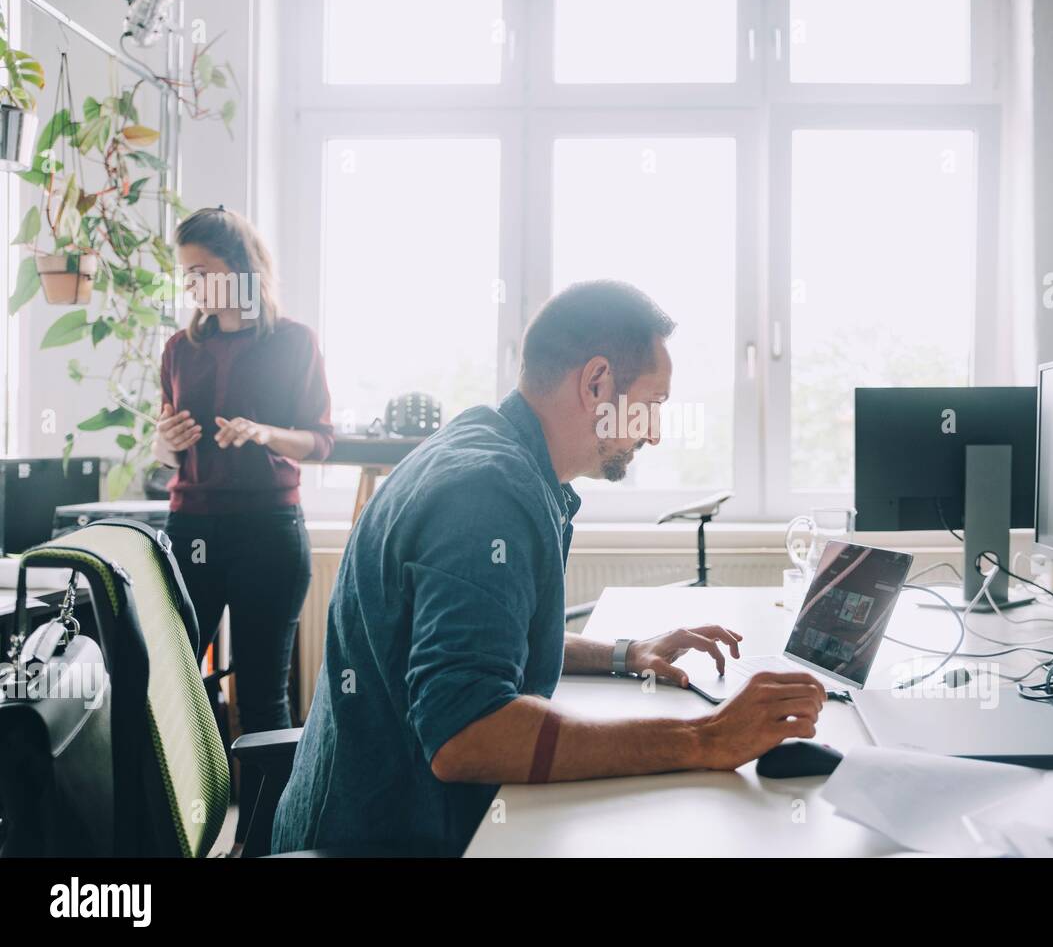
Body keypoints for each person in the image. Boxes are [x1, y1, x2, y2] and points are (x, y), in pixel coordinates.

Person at [272, 279, 825, 857]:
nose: (656, 434)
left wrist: (625, 654)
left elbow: (493, 637)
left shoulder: (490, 448)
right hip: (386, 840)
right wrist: (704, 738)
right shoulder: (486, 495)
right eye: (653, 406)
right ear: (596, 383)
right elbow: (466, 734)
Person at [153, 206, 334, 836]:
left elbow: (321, 440)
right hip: (191, 532)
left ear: (241, 269)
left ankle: (263, 842)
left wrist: (264, 433)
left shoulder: (294, 342)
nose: (192, 285)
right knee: (176, 686)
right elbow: (164, 451)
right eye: (186, 273)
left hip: (269, 534)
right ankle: (181, 833)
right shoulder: (180, 349)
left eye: (201, 270)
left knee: (263, 699)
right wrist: (165, 440)